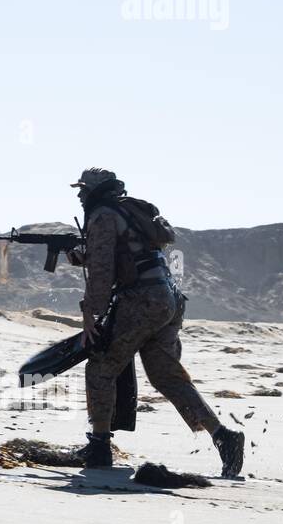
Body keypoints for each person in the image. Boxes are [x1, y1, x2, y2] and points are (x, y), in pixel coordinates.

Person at [67, 167, 244, 476]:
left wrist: (89, 313)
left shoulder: (103, 216)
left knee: (101, 365)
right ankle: (223, 437)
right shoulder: (131, 211)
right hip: (169, 299)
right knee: (167, 377)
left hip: (142, 300)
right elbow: (127, 255)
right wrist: (85, 255)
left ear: (95, 190)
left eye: (83, 189)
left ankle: (98, 447)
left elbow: (102, 271)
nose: (80, 195)